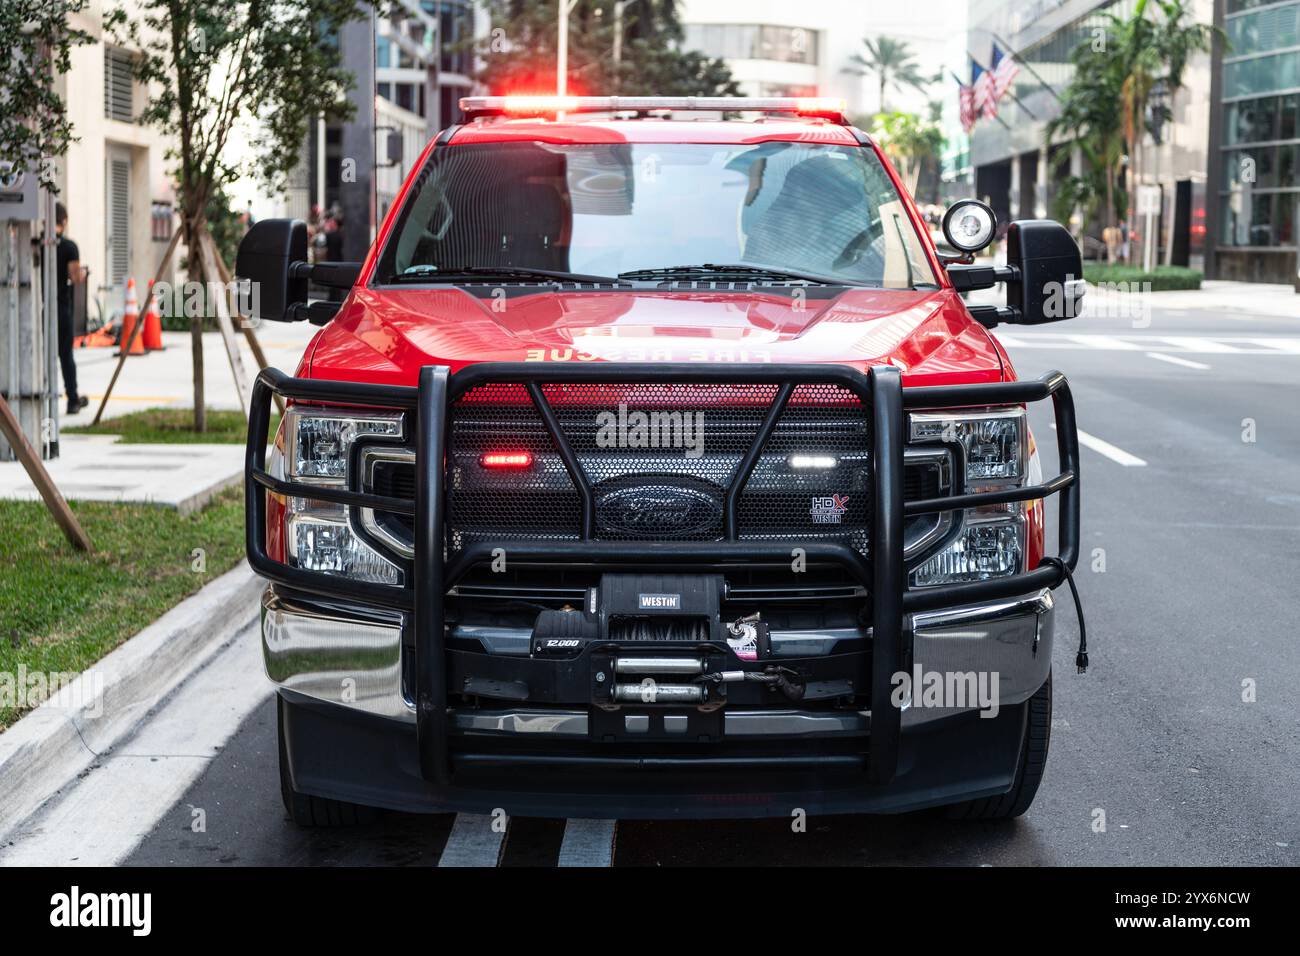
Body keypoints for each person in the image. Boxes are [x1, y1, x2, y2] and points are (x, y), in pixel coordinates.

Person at [55, 203, 88, 414]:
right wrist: (81, 274)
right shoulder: (69, 247)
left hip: (36, 307)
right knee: (65, 354)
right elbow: (76, 277)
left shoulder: (35, 242)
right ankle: (72, 399)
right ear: (64, 221)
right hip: (61, 307)